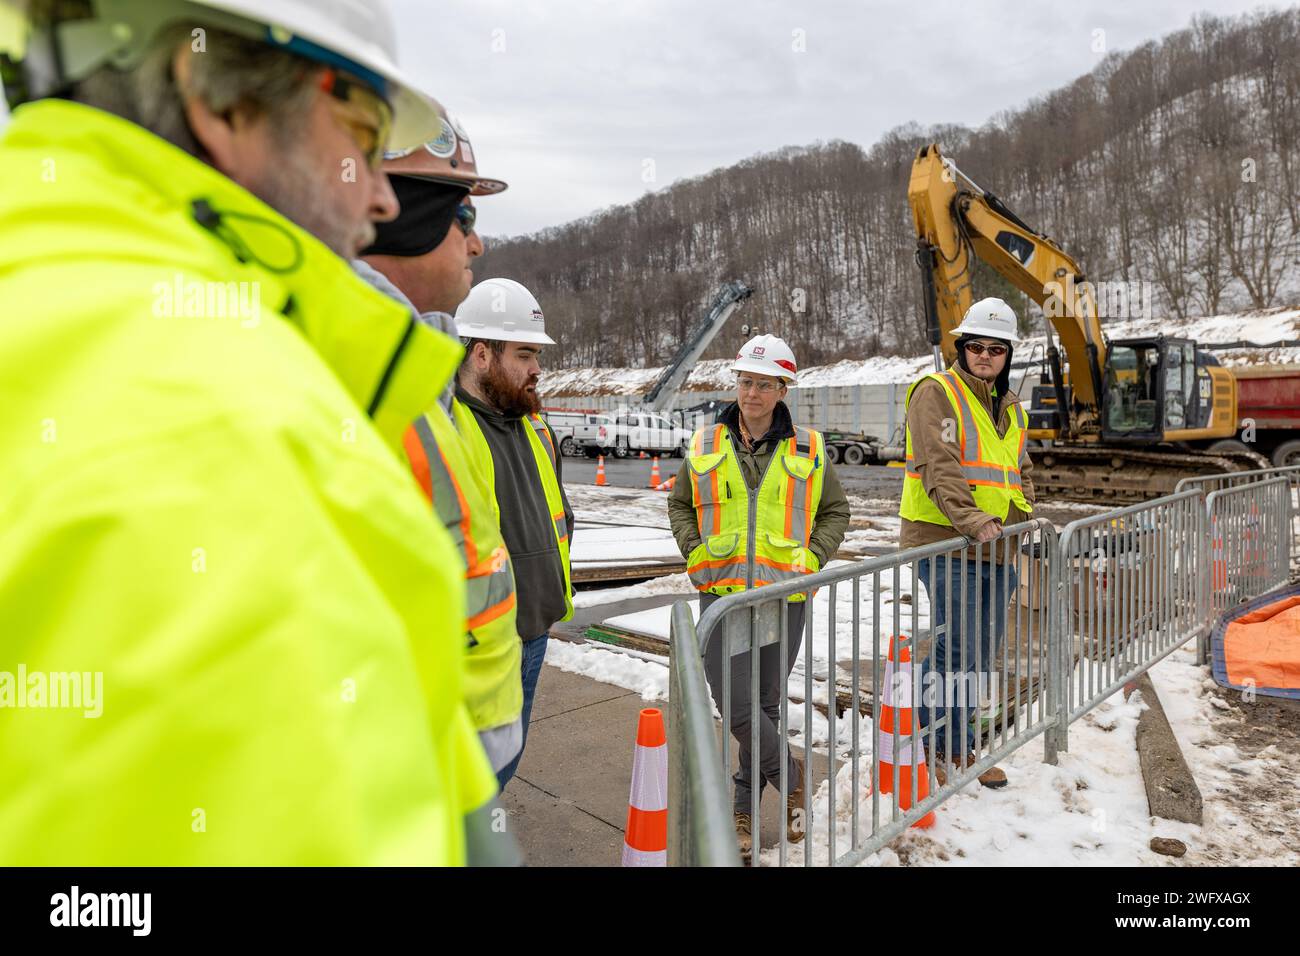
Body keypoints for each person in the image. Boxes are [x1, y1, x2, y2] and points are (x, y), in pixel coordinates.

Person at [0, 0, 499, 864]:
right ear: (222, 100)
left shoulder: (56, 320)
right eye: (358, 129)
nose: (381, 196)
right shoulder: (224, 428)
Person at [353, 107, 526, 788]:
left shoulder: (421, 378)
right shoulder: (352, 381)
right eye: (464, 219)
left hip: (454, 763)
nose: (475, 246)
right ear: (402, 213)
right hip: (406, 780)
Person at [667, 334, 850, 863]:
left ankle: (743, 811)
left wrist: (811, 560)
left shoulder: (808, 449)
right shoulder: (704, 444)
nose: (751, 393)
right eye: (745, 381)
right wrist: (695, 552)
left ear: (782, 389)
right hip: (722, 596)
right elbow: (680, 506)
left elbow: (836, 513)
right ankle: (790, 775)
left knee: (765, 705)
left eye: (763, 384)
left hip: (782, 600)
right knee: (736, 706)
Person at [899, 297, 1036, 790]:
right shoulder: (936, 393)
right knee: (955, 648)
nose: (984, 355)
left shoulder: (1012, 408)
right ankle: (941, 746)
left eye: (995, 349)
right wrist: (972, 519)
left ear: (1007, 355)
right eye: (975, 346)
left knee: (979, 653)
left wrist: (1026, 521)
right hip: (945, 542)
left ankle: (956, 742)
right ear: (961, 347)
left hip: (997, 547)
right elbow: (940, 465)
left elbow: (1019, 470)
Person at [453, 278, 574, 789]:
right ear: (482, 354)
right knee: (464, 788)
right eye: (524, 353)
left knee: (499, 774)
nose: (537, 368)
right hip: (477, 650)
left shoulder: (536, 427)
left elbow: (558, 519)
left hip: (534, 633)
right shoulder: (447, 427)